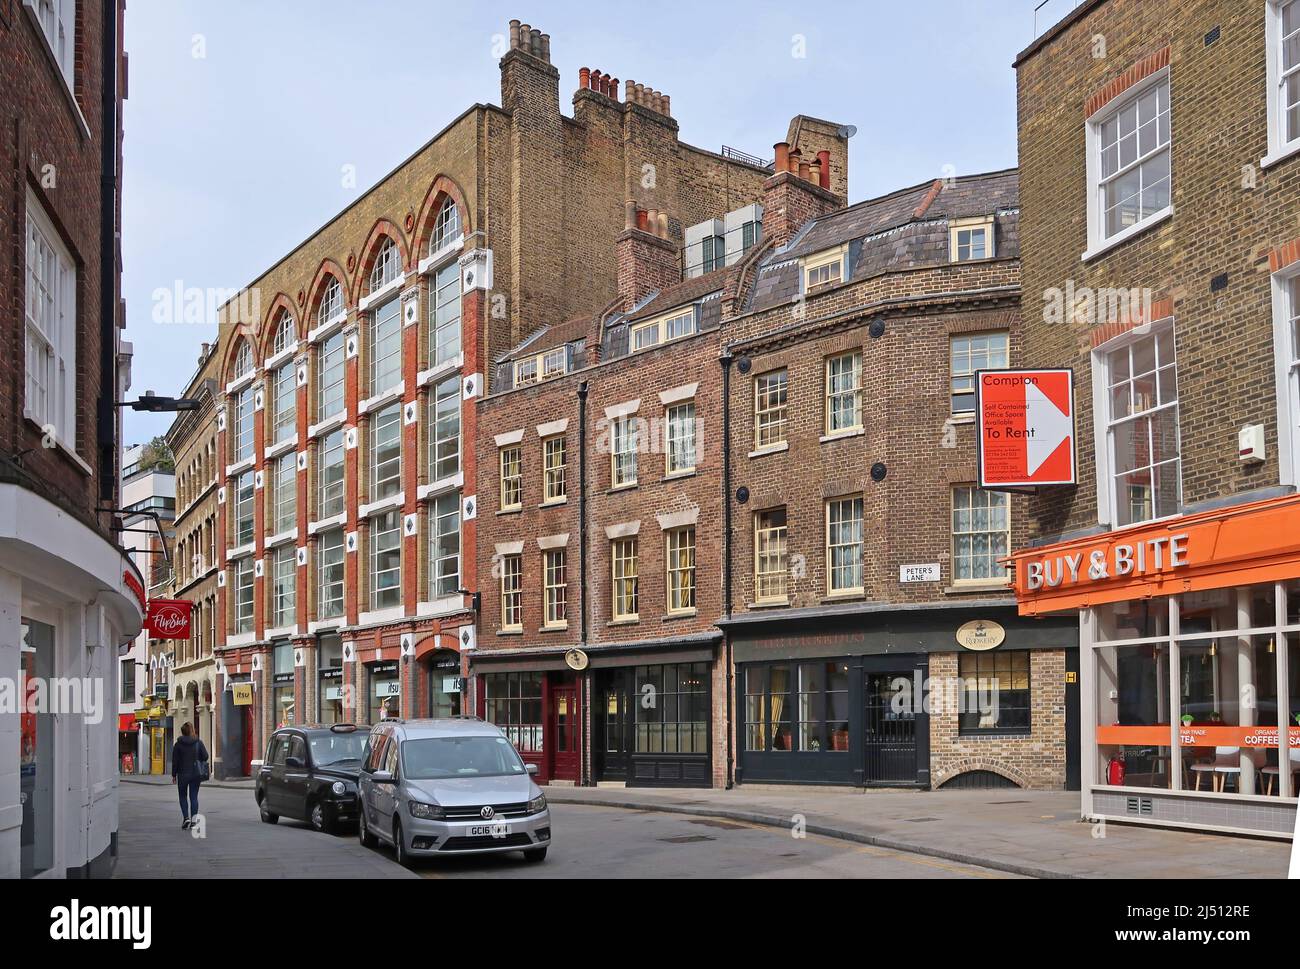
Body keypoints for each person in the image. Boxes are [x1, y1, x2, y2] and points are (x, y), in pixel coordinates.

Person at [171, 722, 209, 830]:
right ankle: (193, 820)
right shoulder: (198, 743)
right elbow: (206, 756)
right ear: (192, 730)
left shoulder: (178, 745)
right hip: (195, 774)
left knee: (182, 796)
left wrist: (174, 775)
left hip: (182, 774)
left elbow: (175, 761)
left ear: (182, 731)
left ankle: (186, 818)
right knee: (193, 797)